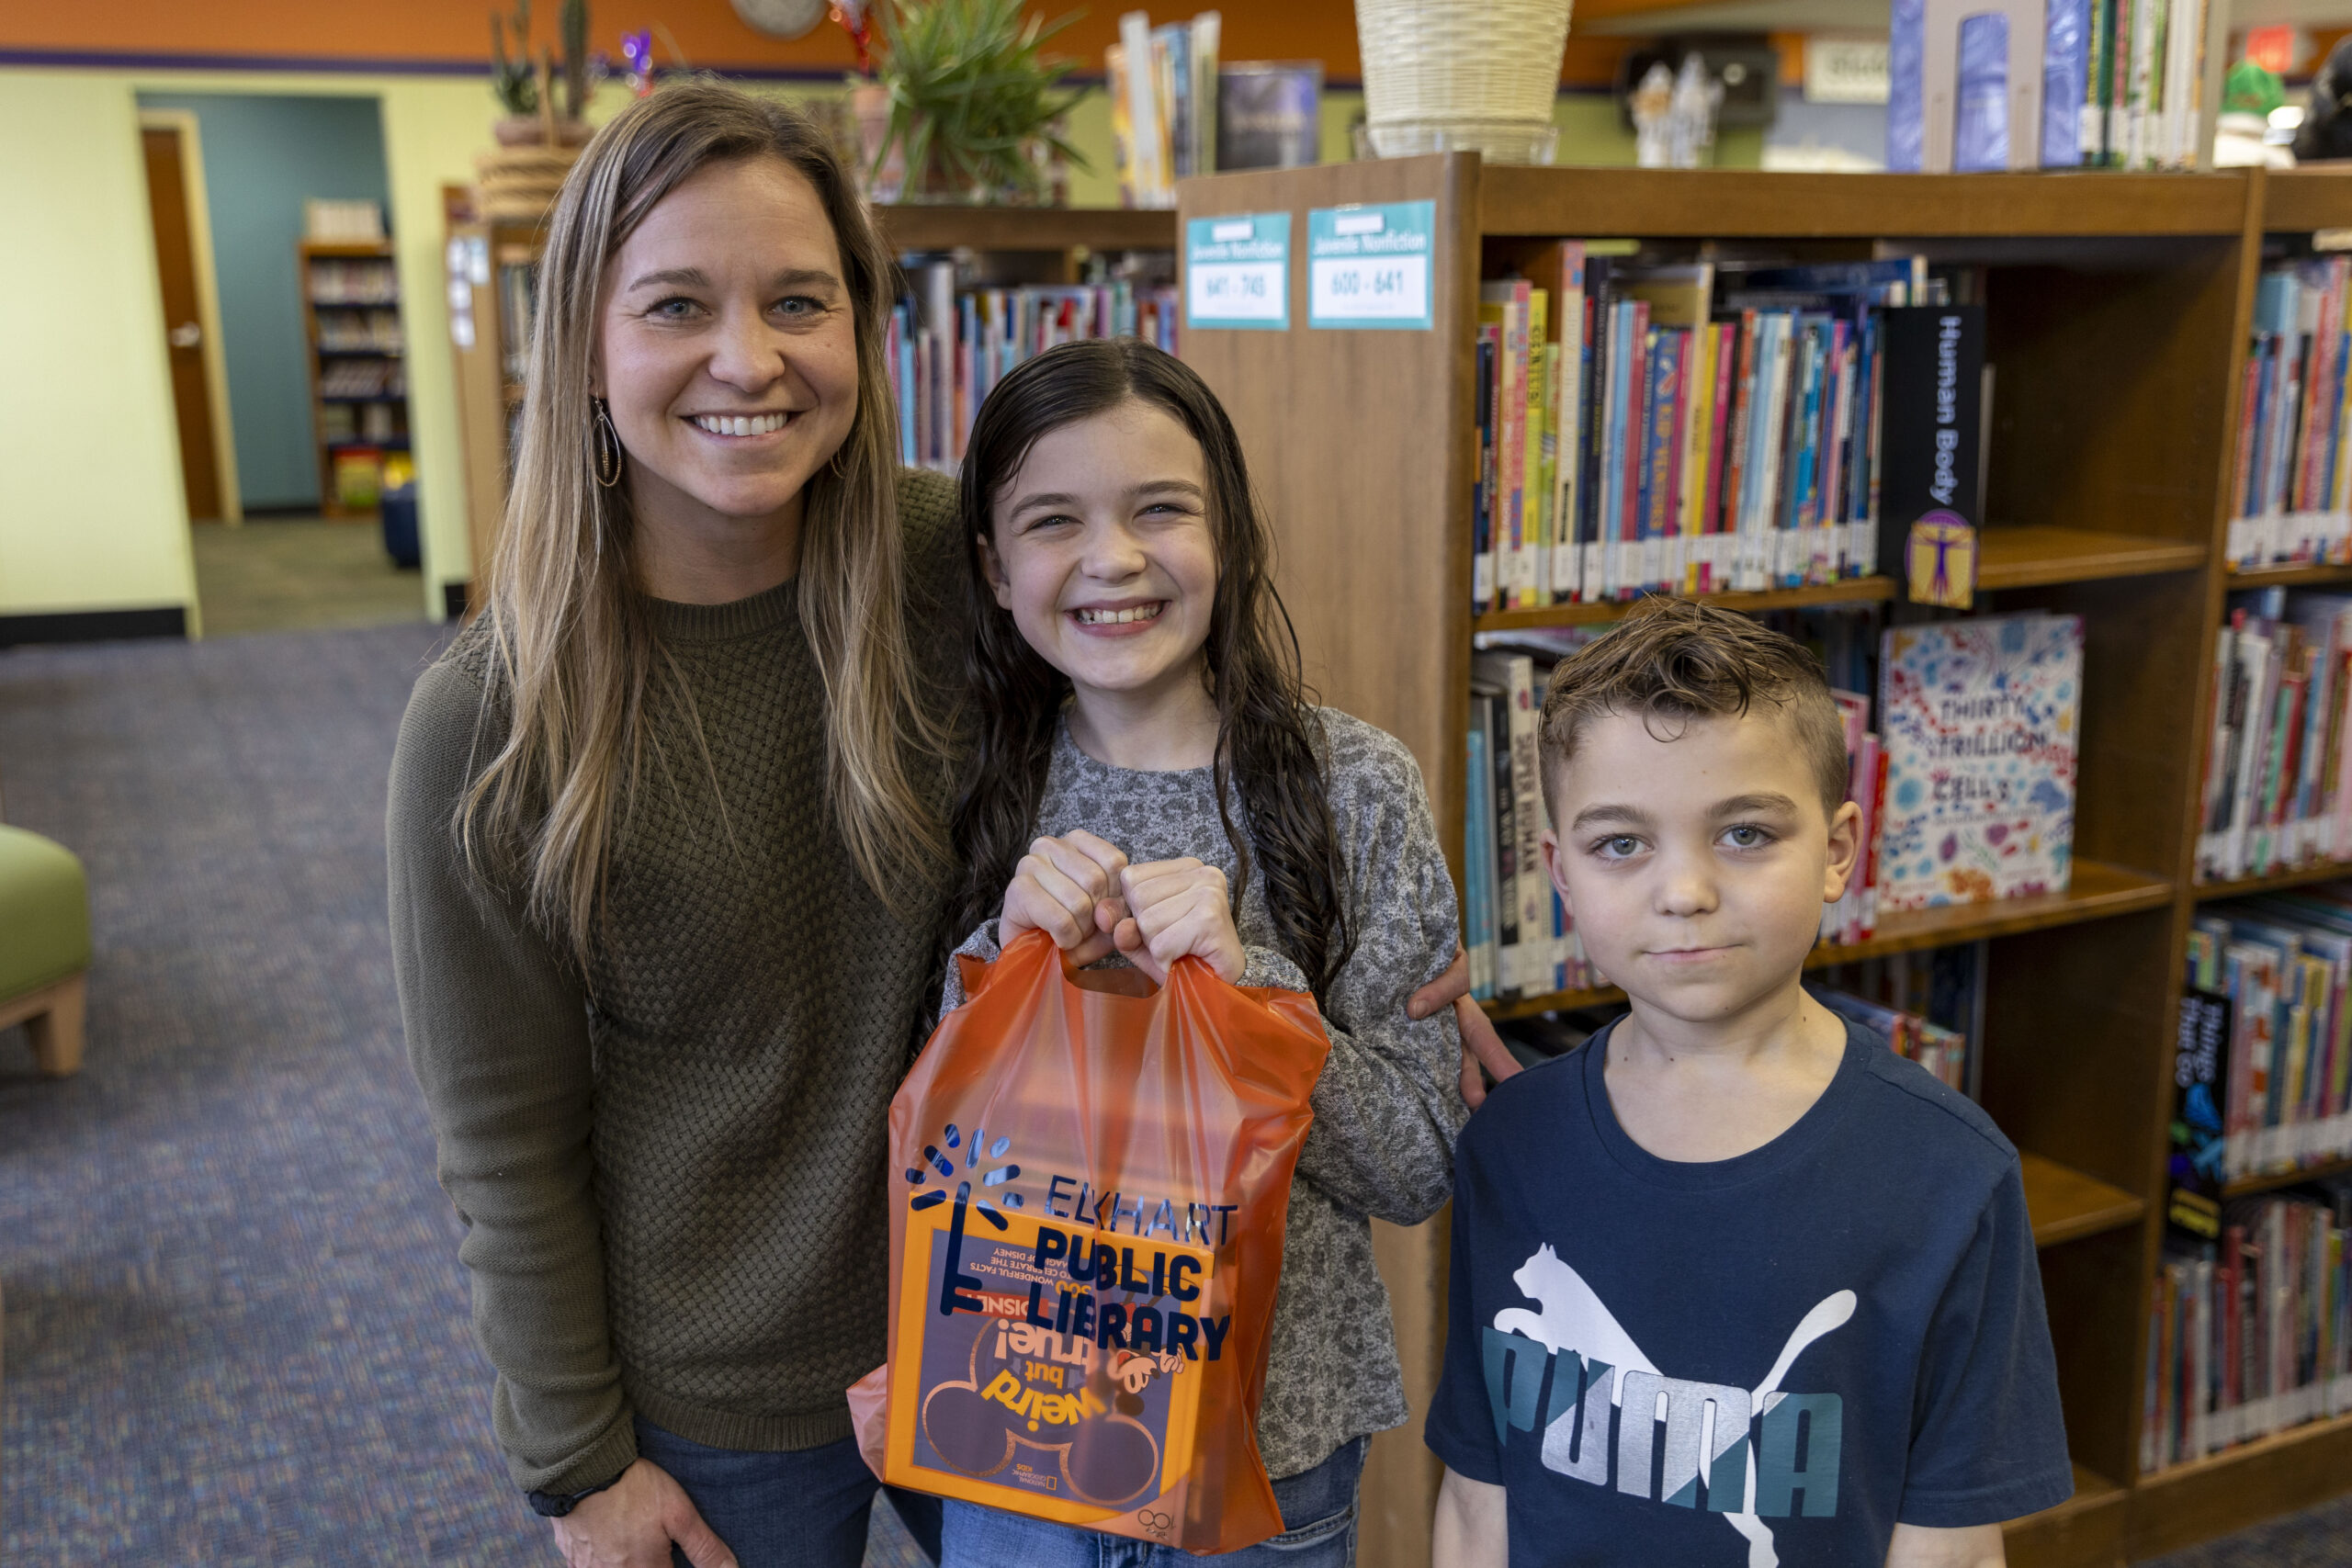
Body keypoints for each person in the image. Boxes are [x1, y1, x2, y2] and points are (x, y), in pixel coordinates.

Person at [387, 84, 962, 1568]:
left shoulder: (961, 566)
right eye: (677, 305)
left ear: (860, 329)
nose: (749, 359)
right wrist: (580, 1466)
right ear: (586, 341)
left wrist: (1375, 938)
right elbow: (502, 1140)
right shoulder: (491, 720)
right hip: (721, 1393)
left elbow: (1198, 698)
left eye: (797, 301)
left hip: (1004, 1320)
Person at [932, 339, 1468, 1565]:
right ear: (994, 569)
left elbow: (1418, 1165)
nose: (1114, 558)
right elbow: (923, 1128)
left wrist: (1256, 993)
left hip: (1271, 1445)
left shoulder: (1355, 786)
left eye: (1161, 509)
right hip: (1019, 1418)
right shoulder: (965, 780)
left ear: (1229, 531)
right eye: (1053, 520)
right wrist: (1000, 947)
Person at [1425, 599, 2074, 1568]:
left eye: (1743, 834)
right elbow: (1481, 1496)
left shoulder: (1947, 1173)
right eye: (1620, 844)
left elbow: (1952, 1545)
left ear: (1840, 850)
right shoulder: (1508, 1141)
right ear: (1562, 876)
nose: (1683, 892)